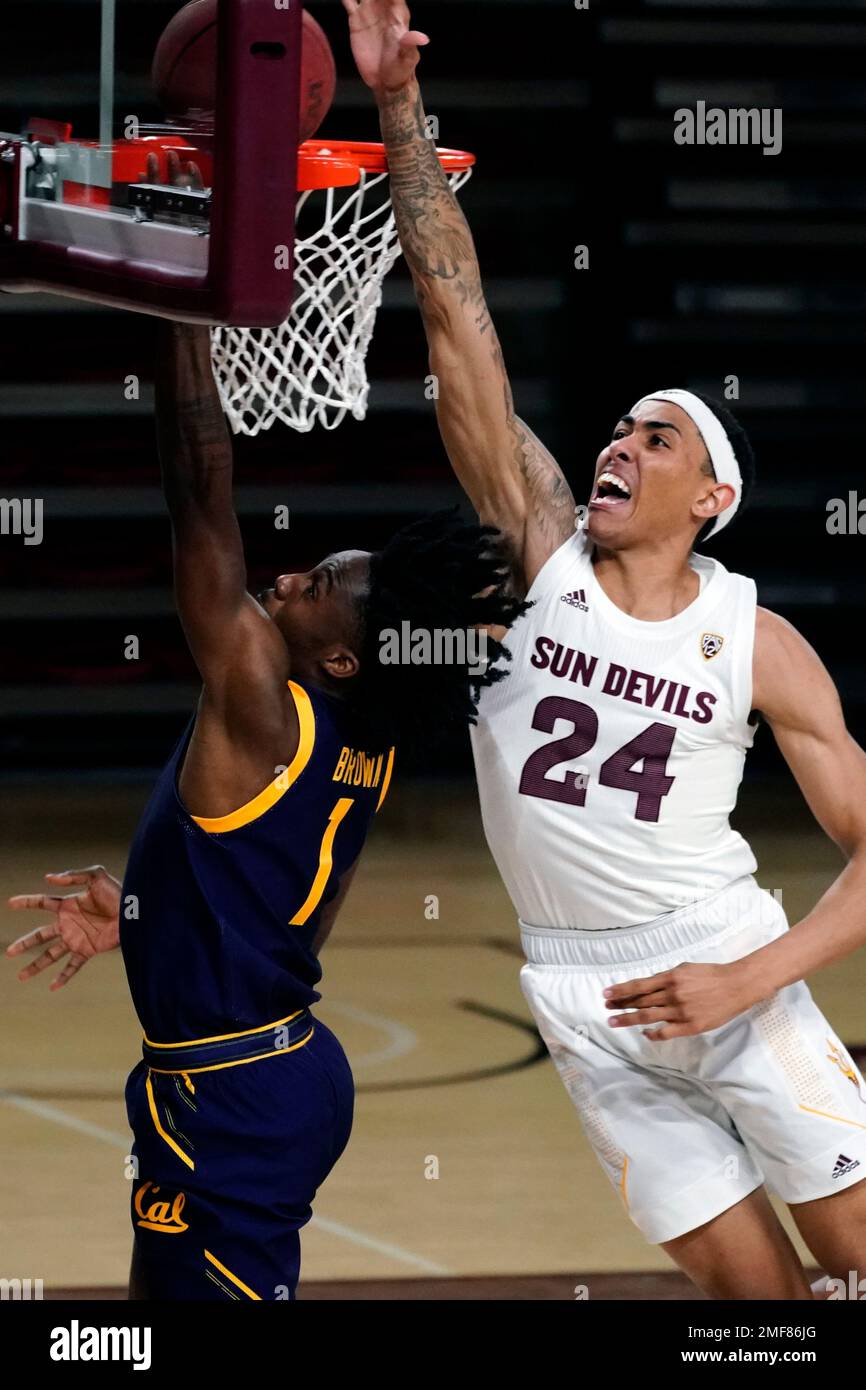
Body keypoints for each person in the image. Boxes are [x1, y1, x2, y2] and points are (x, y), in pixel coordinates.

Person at [342, 0, 866, 1299]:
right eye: (620, 428)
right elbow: (458, 325)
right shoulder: (539, 552)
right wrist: (397, 108)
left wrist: (745, 975)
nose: (620, 444)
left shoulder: (755, 637)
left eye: (658, 439)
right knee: (761, 1307)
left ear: (711, 500)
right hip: (580, 1000)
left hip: (729, 969)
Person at [5, 319, 525, 1301]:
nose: (284, 578)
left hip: (232, 1087)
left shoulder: (267, 703)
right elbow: (287, 912)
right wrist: (158, 914)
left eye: (315, 587)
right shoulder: (360, 740)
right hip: (275, 1066)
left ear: (340, 658)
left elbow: (199, 496)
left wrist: (182, 311)